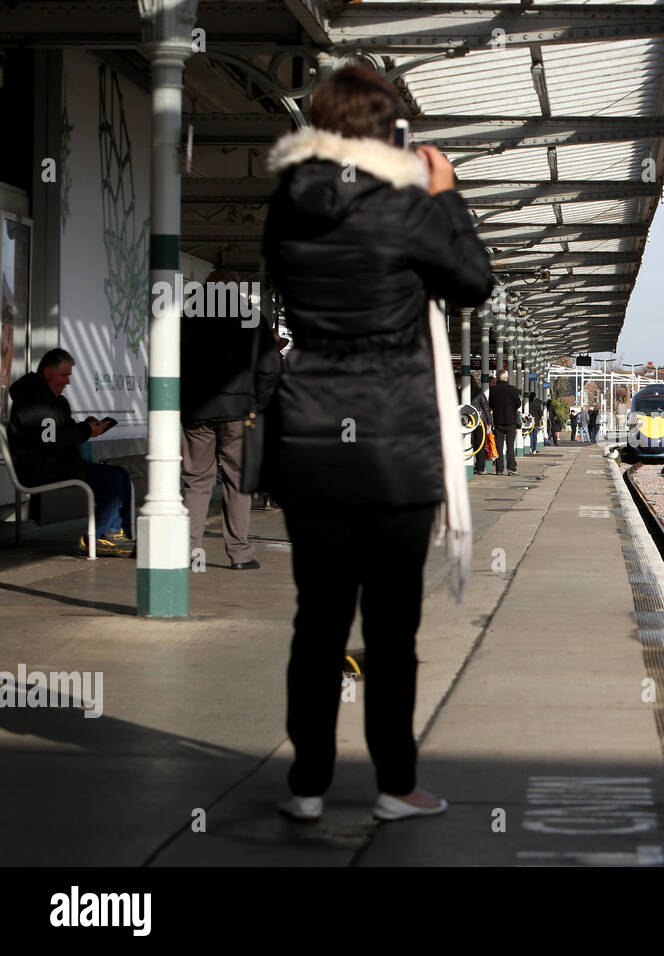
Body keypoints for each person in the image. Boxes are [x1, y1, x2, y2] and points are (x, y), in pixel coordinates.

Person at [261, 64, 493, 823]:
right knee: (391, 632)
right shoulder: (405, 210)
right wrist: (446, 193)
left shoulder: (287, 205)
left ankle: (307, 785)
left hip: (310, 440)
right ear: (389, 131)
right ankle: (396, 785)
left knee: (317, 622)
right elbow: (472, 282)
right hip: (394, 451)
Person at [180, 270, 281, 570]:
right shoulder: (251, 317)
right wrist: (256, 404)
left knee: (196, 481)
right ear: (235, 289)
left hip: (196, 413)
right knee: (238, 482)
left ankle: (188, 550)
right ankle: (239, 554)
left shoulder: (186, 317)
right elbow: (270, 367)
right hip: (239, 413)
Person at [6, 348, 135, 556]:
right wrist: (85, 430)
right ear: (48, 373)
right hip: (42, 469)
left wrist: (86, 427)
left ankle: (118, 534)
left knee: (119, 474)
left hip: (58, 464)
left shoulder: (53, 400)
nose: (68, 382)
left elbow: (58, 430)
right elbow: (49, 437)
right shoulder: (34, 400)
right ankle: (102, 536)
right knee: (111, 478)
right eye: (64, 375)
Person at [489, 371, 520, 475]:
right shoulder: (513, 390)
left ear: (498, 378)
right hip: (511, 421)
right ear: (507, 378)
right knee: (510, 445)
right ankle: (511, 468)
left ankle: (499, 469)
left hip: (498, 421)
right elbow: (518, 404)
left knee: (499, 445)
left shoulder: (493, 390)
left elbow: (491, 404)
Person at [470, 374, 492, 475]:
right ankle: (481, 466)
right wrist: (489, 422)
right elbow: (486, 409)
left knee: (473, 444)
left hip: (467, 422)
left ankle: (477, 466)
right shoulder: (479, 393)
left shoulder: (462, 392)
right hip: (480, 422)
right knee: (480, 444)